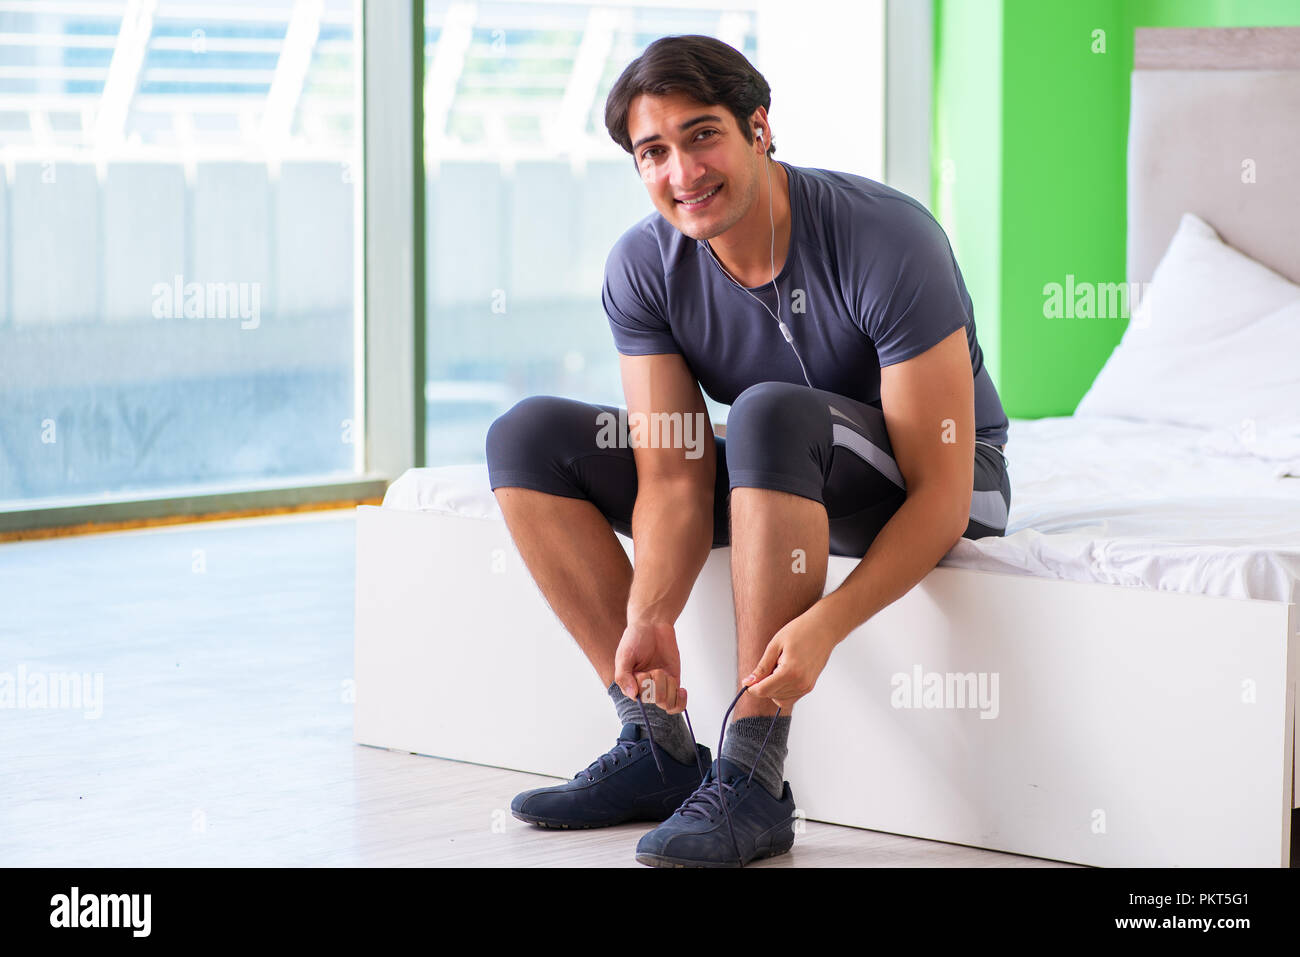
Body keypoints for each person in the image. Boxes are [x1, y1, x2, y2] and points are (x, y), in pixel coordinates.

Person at [484, 34, 1010, 867]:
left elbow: (944, 494)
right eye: (653, 151)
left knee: (766, 412)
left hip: (942, 474)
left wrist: (826, 626)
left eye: (702, 135)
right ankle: (655, 742)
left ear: (759, 128)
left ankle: (754, 777)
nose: (682, 172)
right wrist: (650, 614)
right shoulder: (643, 267)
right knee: (528, 435)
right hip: (789, 463)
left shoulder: (884, 238)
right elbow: (674, 472)